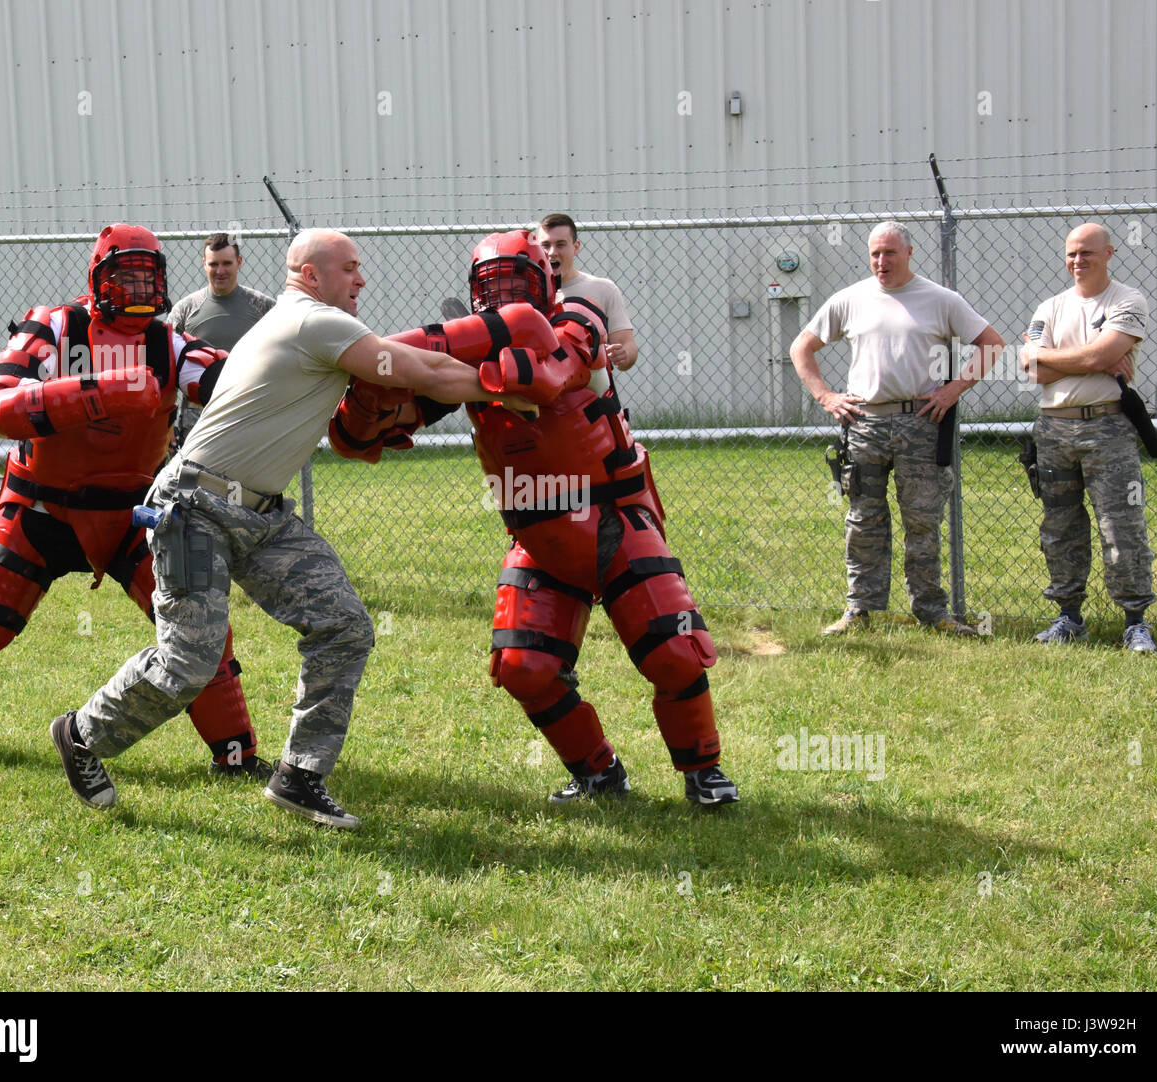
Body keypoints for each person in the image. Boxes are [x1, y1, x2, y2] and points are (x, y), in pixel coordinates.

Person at [50, 228, 544, 829]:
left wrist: (468, 385)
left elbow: (415, 374)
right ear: (310, 275)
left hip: (260, 516)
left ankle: (300, 776)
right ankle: (80, 733)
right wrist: (506, 387)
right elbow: (416, 370)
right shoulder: (313, 321)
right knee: (189, 661)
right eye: (351, 269)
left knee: (343, 626)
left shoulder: (312, 322)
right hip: (197, 508)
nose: (362, 280)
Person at [329, 230, 739, 808]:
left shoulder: (578, 315)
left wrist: (389, 355)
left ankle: (704, 771)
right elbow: (356, 436)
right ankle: (599, 773)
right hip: (539, 536)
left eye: (516, 285)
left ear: (546, 280)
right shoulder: (470, 356)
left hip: (613, 518)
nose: (505, 300)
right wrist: (372, 388)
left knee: (671, 651)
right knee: (523, 667)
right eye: (491, 289)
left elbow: (543, 374)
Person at [0, 223, 268, 777]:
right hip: (42, 510)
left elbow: (232, 382)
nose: (138, 290)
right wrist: (96, 395)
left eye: (148, 278)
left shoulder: (166, 341)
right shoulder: (54, 326)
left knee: (200, 628)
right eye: (125, 276)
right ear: (99, 276)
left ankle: (236, 755)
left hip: (133, 513)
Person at [790, 220, 1005, 636]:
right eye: (874, 253)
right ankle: (859, 611)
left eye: (889, 253)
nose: (881, 261)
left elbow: (992, 344)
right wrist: (826, 397)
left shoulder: (940, 300)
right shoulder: (850, 299)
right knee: (863, 518)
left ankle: (932, 613)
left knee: (922, 522)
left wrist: (953, 390)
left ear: (909, 253)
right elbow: (802, 347)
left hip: (921, 423)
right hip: (864, 422)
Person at [1019, 222, 1156, 652]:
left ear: (1109, 253)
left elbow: (1097, 352)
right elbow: (1030, 368)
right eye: (1072, 253)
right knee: (1059, 527)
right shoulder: (1050, 306)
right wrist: (1097, 359)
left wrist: (1065, 356)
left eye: (1087, 253)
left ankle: (1135, 621)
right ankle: (1069, 618)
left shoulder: (1128, 300)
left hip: (1107, 428)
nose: (1078, 260)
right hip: (1053, 429)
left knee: (1121, 524)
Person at [167, 232, 276, 448]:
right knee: (194, 479)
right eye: (213, 264)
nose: (220, 271)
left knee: (249, 479)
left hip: (249, 411)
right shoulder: (185, 309)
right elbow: (167, 367)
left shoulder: (264, 307)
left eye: (227, 263)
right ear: (204, 264)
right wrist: (167, 424)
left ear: (239, 262)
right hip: (197, 418)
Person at [535, 213, 638, 376]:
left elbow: (627, 345)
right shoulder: (527, 295)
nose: (552, 252)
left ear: (576, 247)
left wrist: (624, 355)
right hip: (541, 394)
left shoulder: (604, 289)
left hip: (593, 395)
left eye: (560, 244)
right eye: (545, 245)